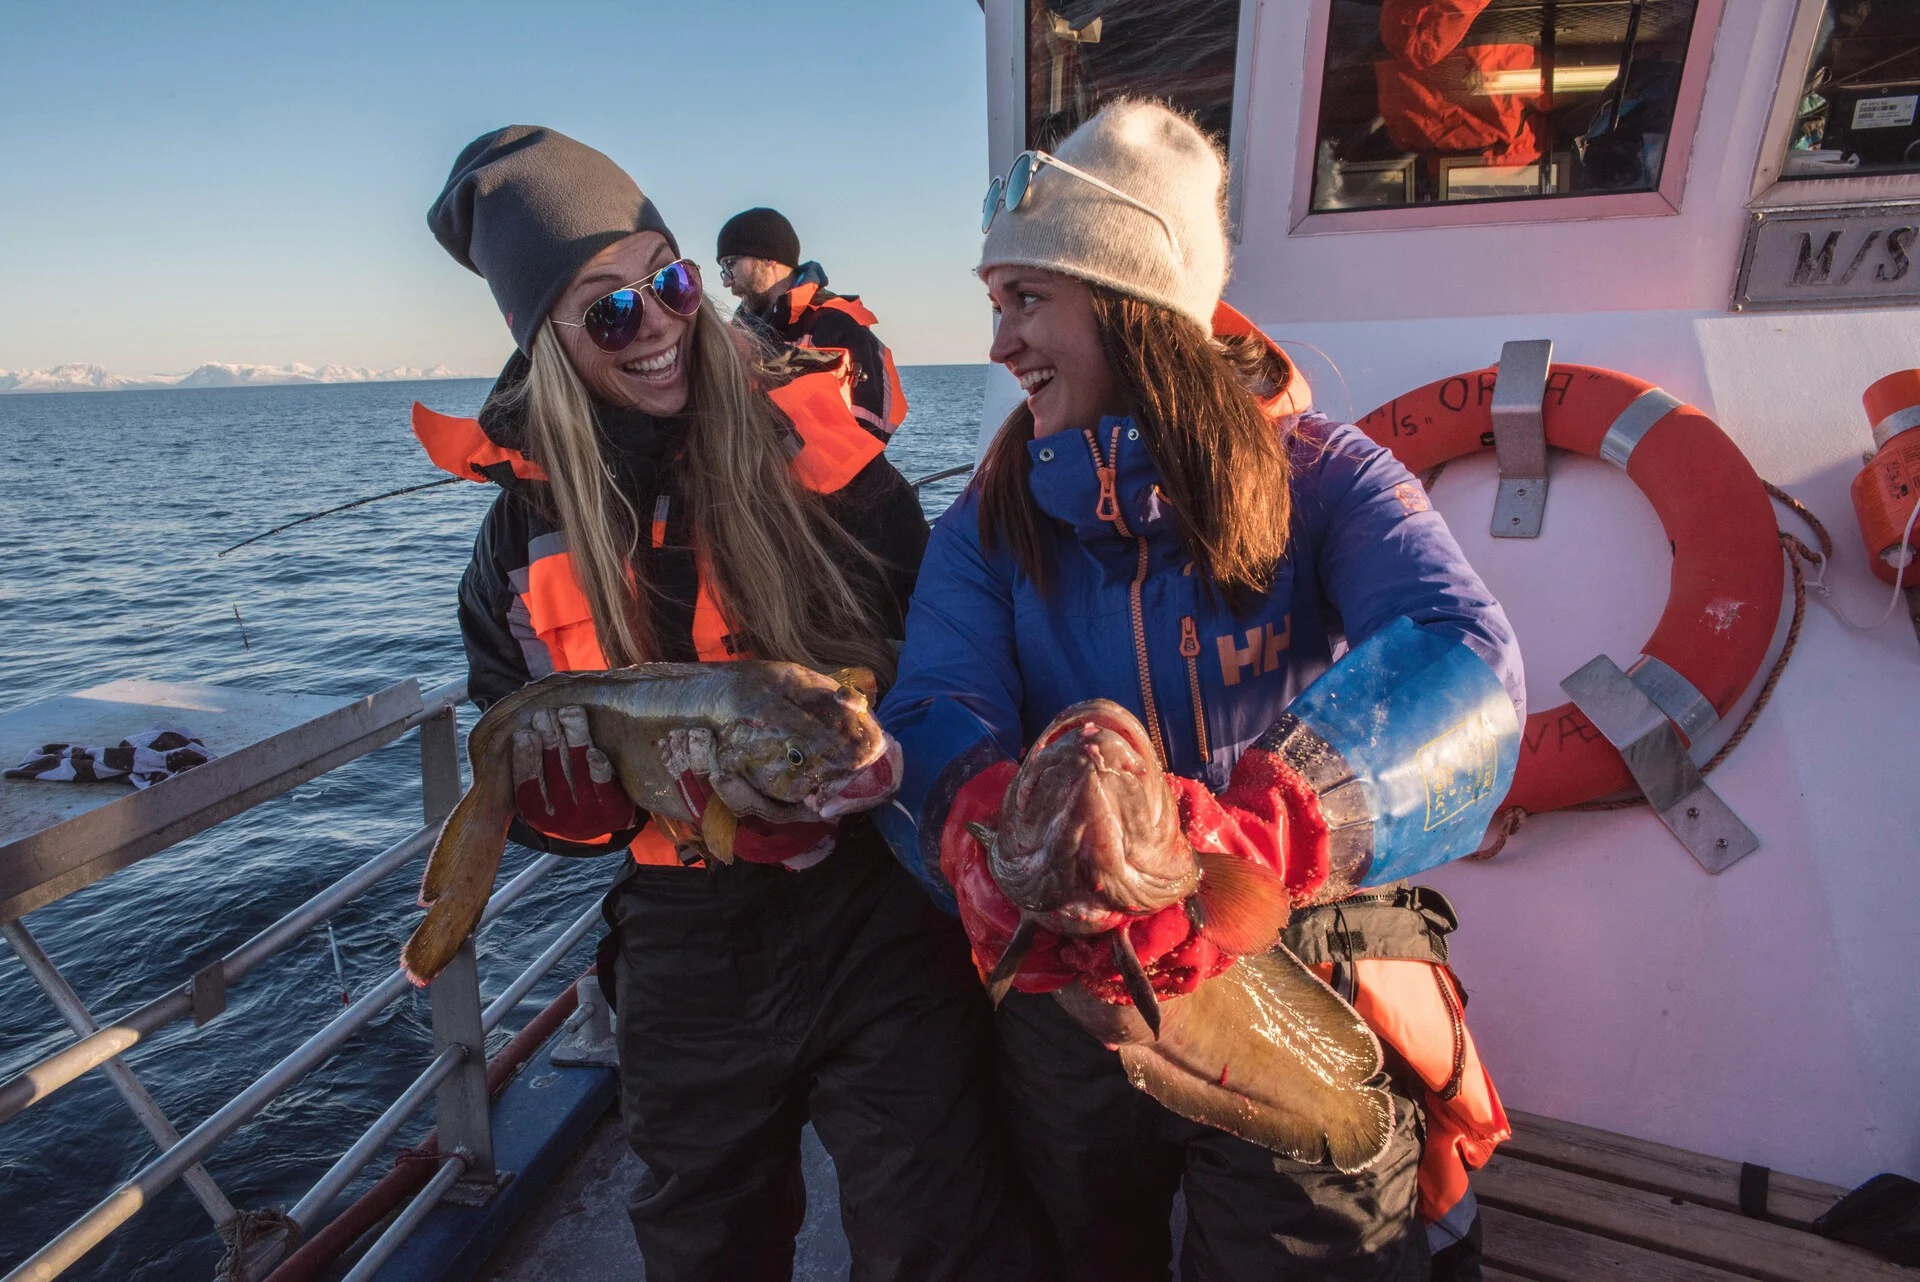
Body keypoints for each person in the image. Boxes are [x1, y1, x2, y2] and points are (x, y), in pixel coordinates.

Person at [875, 100, 1524, 1281]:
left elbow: (1462, 653)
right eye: (996, 304)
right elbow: (933, 704)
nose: (1001, 343)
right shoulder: (989, 517)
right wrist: (981, 838)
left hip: (1292, 954)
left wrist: (1269, 828)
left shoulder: (1323, 475)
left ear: (1128, 303)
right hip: (1071, 981)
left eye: (1026, 301)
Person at [415, 125, 1039, 1282]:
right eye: (605, 309)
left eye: (667, 279)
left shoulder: (830, 453)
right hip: (682, 940)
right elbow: (548, 795)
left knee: (939, 1233)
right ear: (543, 340)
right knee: (702, 1242)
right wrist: (570, 804)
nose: (653, 322)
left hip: (876, 910)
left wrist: (867, 760)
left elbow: (947, 654)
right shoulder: (515, 539)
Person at [716, 206, 908, 440]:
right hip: (750, 476)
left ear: (768, 257)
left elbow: (873, 429)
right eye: (723, 270)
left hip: (825, 475)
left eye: (731, 264)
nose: (727, 282)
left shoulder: (837, 322)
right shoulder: (737, 335)